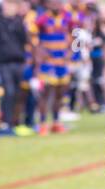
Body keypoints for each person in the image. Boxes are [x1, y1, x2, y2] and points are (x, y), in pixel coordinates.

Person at [32, 0, 74, 133]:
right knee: (45, 93)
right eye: (53, 2)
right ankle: (43, 124)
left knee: (60, 94)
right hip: (47, 64)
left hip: (62, 62)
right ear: (47, 4)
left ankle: (56, 123)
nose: (56, 4)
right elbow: (32, 37)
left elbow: (75, 34)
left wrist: (70, 51)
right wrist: (38, 53)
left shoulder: (68, 17)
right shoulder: (42, 19)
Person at [0, 0, 29, 133]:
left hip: (18, 61)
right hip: (4, 62)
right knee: (8, 92)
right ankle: (6, 122)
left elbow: (24, 40)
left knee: (18, 93)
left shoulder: (18, 22)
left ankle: (16, 122)